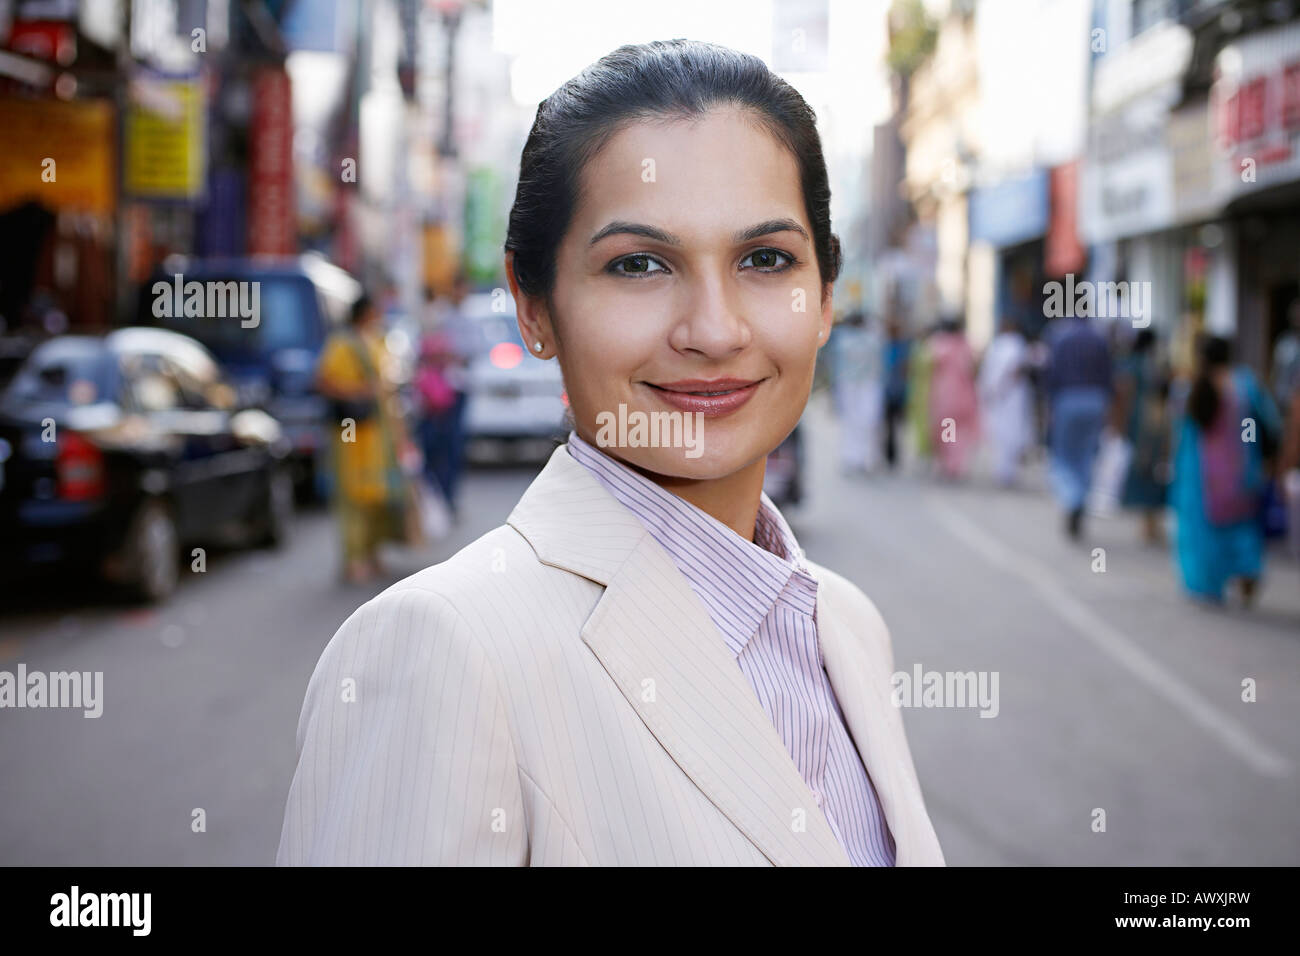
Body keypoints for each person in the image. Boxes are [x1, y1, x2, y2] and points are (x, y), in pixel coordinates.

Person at [278, 40, 944, 867]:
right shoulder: (447, 650)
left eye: (765, 260)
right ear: (534, 305)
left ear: (826, 296)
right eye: (638, 265)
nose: (714, 330)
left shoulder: (846, 626)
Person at [1171, 336, 1281, 605]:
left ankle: (1208, 583)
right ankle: (1247, 571)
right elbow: (1264, 424)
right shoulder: (1246, 384)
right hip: (1242, 471)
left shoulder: (1192, 387)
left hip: (1202, 476)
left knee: (1203, 532)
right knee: (1243, 526)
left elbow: (1185, 435)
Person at [316, 294, 407, 584]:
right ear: (365, 313)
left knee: (378, 494)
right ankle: (354, 559)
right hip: (352, 434)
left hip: (379, 433)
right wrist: (359, 392)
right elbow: (324, 382)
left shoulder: (379, 340)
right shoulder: (342, 344)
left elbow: (389, 386)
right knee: (353, 495)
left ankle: (373, 553)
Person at [1043, 311, 1112, 539]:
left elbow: (1051, 375)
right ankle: (1080, 497)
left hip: (1068, 400)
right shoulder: (1099, 338)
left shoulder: (1060, 336)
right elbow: (1109, 375)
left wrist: (1048, 406)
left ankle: (1072, 497)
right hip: (1095, 401)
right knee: (1086, 455)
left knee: (1064, 456)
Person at [1113, 329, 1170, 543]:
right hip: (1153, 425)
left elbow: (1124, 394)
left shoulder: (1137, 364)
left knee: (1144, 470)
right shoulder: (1153, 365)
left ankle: (1148, 522)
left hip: (1141, 424)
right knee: (1152, 471)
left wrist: (1119, 422)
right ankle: (1151, 521)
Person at [977, 316, 1033, 487]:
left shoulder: (1010, 344)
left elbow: (1013, 370)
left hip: (1007, 396)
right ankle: (1005, 471)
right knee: (1006, 433)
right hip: (1006, 396)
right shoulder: (1009, 344)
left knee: (1007, 433)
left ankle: (1006, 471)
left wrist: (993, 389)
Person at [830, 310, 884, 473]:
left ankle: (860, 458)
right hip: (855, 384)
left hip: (862, 384)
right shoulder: (867, 339)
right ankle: (857, 458)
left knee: (861, 422)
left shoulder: (845, 340)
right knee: (860, 422)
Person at [926, 313, 980, 480]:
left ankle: (949, 463)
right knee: (959, 433)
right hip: (964, 396)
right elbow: (973, 368)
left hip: (946, 396)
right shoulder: (965, 345)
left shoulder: (939, 344)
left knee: (947, 432)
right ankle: (956, 464)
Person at [882, 314, 911, 469]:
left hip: (898, 391)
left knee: (897, 426)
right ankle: (888, 454)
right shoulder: (885, 346)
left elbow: (906, 369)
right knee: (888, 426)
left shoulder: (902, 347)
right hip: (887, 392)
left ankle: (894, 454)